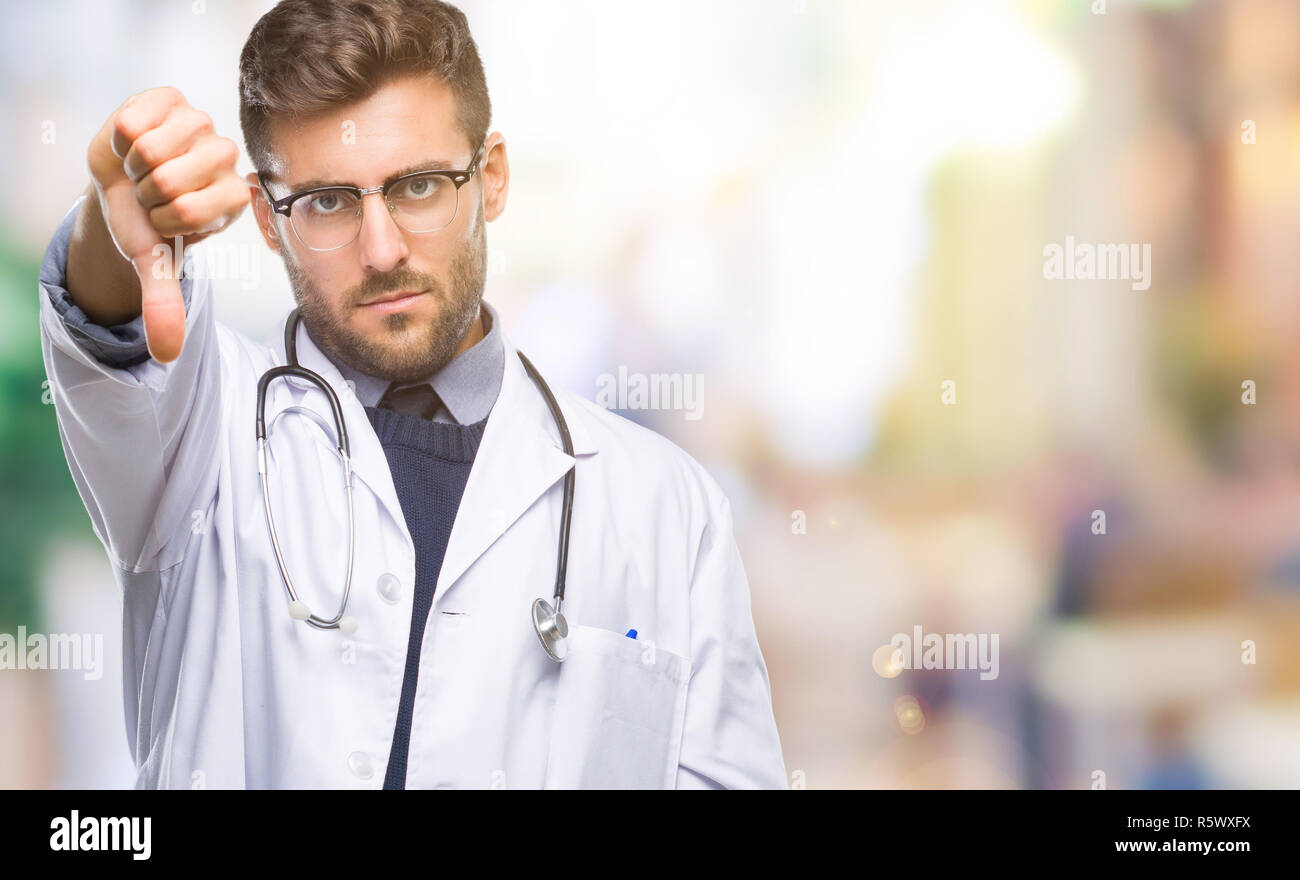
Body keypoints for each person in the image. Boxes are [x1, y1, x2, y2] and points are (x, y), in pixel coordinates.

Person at [37, 0, 786, 789]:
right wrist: (116, 233)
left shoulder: (667, 506)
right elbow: (110, 326)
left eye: (419, 186)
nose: (382, 249)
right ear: (266, 217)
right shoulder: (203, 432)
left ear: (490, 178)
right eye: (327, 202)